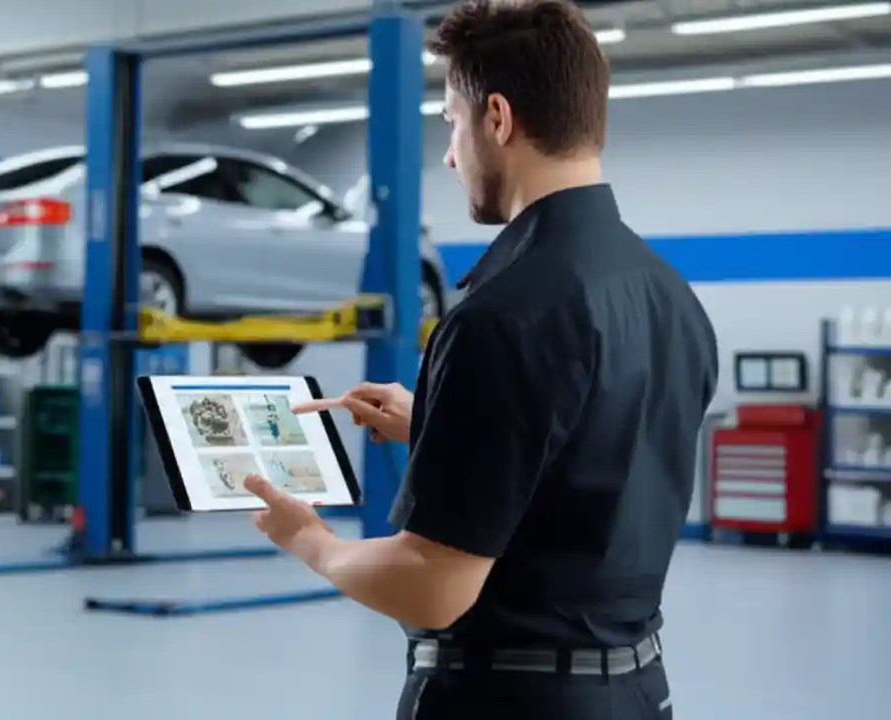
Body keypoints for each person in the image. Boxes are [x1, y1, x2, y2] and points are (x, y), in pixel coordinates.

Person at [241, 1, 720, 718]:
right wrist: (437, 424)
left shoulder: (502, 314)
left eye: (450, 123)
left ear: (497, 118)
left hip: (507, 698)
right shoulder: (668, 294)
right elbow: (591, 457)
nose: (449, 152)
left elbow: (432, 584)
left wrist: (310, 540)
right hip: (639, 695)